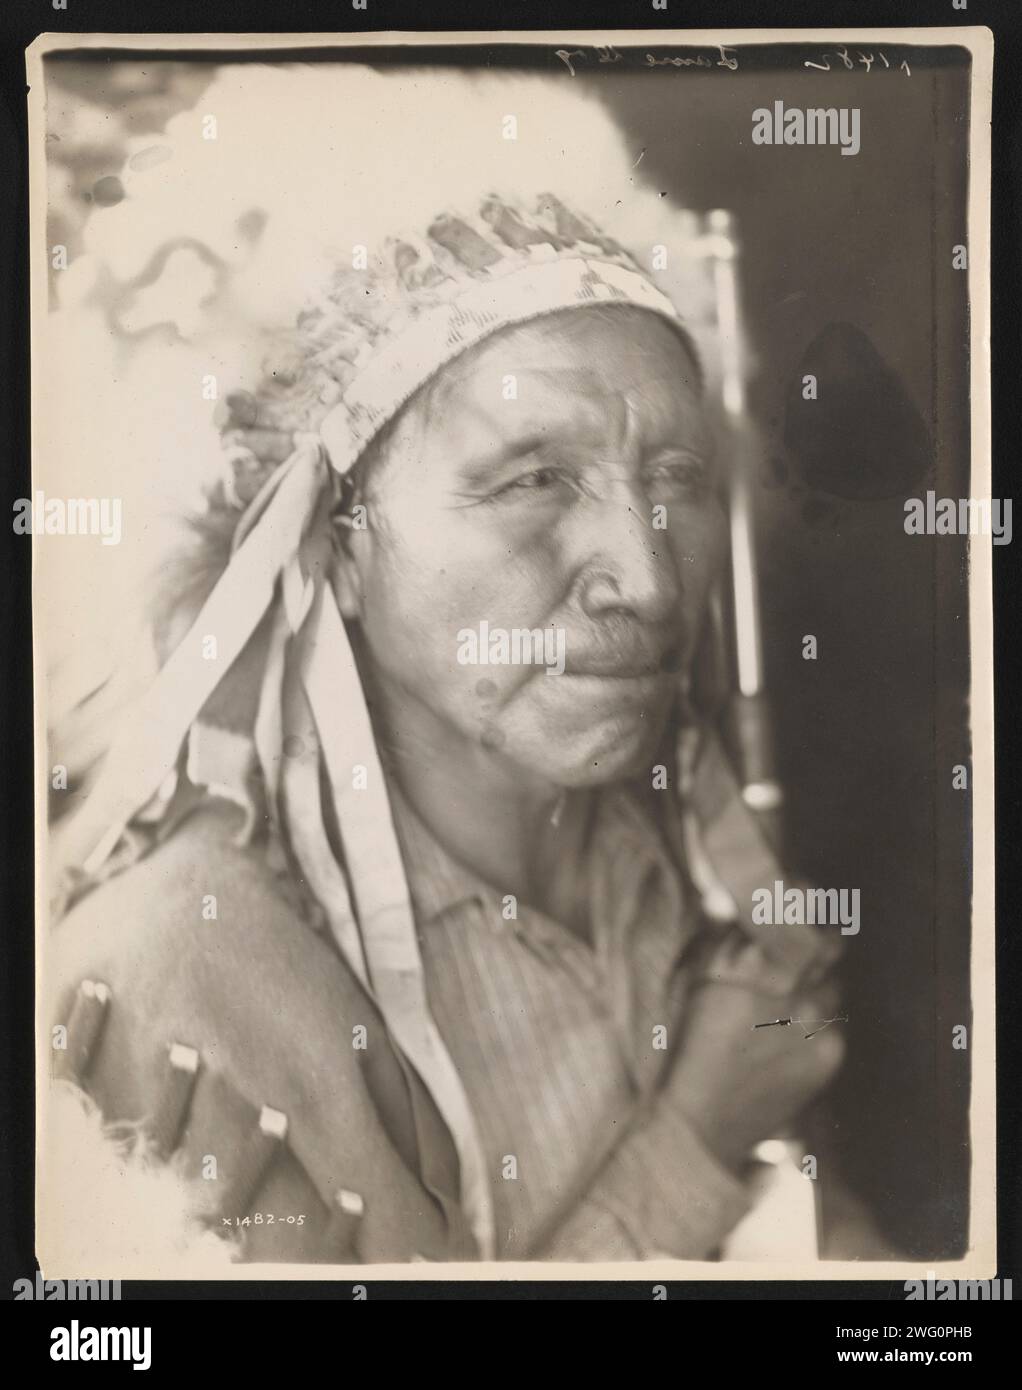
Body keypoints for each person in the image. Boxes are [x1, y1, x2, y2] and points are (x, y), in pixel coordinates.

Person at [44, 192, 859, 1266]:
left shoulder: (686, 839)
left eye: (677, 480)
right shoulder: (165, 985)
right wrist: (695, 1139)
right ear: (334, 547)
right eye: (533, 479)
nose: (650, 582)